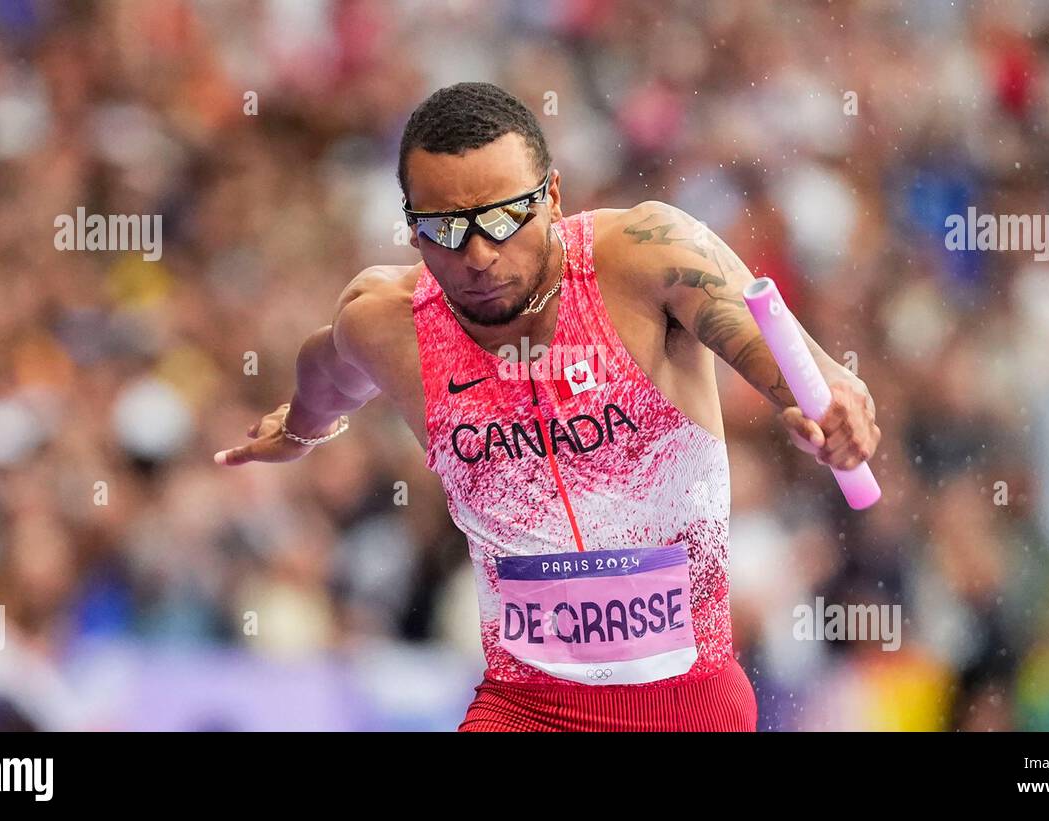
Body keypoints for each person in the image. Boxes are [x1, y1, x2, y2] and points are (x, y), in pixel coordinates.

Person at [214, 82, 881, 731]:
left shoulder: (648, 256)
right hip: (525, 705)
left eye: (505, 218)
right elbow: (325, 367)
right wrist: (300, 426)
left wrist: (828, 401)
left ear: (553, 196)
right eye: (446, 229)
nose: (479, 254)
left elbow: (795, 365)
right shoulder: (387, 322)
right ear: (412, 231)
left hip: (687, 703)